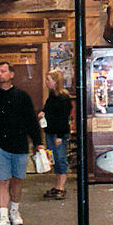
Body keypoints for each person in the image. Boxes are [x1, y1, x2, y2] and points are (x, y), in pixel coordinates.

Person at [0, 61, 45, 225]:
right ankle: (3, 218)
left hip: (20, 145)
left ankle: (14, 212)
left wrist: (38, 143)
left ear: (12, 74)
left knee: (16, 180)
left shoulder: (22, 97)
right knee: (2, 181)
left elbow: (31, 122)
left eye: (3, 71)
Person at [37, 70, 72, 200]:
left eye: (49, 80)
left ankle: (61, 187)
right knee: (55, 160)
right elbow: (48, 109)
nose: (46, 82)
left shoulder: (63, 98)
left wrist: (60, 136)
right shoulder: (52, 96)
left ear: (55, 81)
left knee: (60, 159)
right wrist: (43, 113)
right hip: (50, 132)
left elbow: (63, 118)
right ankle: (57, 186)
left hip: (58, 134)